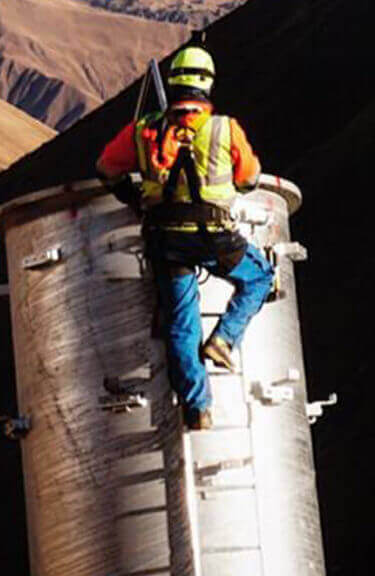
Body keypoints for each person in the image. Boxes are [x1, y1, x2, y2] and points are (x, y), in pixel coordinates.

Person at [95, 46, 272, 430]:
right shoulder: (225, 129)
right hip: (216, 237)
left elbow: (106, 166)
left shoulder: (144, 130)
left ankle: (196, 407)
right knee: (259, 278)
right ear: (207, 83)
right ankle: (224, 340)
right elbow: (249, 179)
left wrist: (130, 195)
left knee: (181, 321)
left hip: (166, 240)